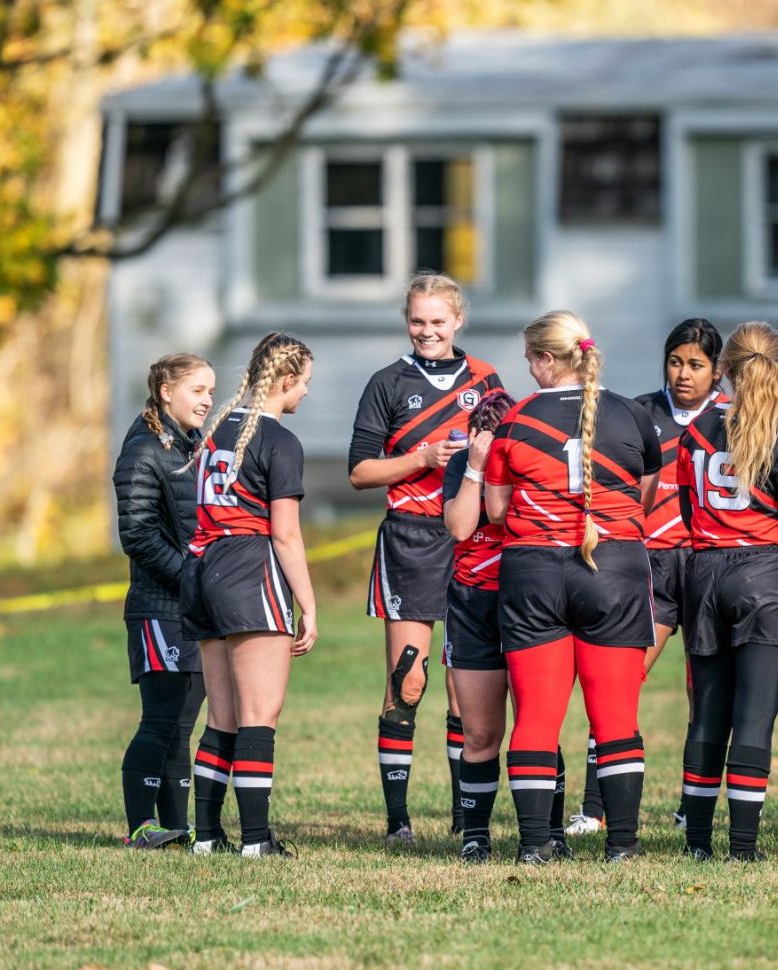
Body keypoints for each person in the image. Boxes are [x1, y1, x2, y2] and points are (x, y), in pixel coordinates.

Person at [484, 311, 661, 863]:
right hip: (613, 569)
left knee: (536, 716)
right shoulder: (633, 415)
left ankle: (535, 844)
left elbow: (494, 511)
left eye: (530, 359)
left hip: (532, 572)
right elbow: (645, 495)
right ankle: (623, 844)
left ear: (545, 358)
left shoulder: (514, 422)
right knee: (616, 718)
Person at [348, 273, 504, 845]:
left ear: (458, 321)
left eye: (439, 321)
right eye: (418, 321)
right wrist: (422, 458)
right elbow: (361, 471)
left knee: (467, 689)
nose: (428, 331)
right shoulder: (387, 382)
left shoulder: (486, 380)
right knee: (406, 680)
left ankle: (466, 820)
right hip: (410, 540)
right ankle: (398, 821)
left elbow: (504, 458)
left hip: (470, 543)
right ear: (406, 321)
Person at [569, 318, 725, 837]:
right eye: (676, 361)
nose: (684, 373)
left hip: (706, 565)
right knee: (620, 681)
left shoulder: (735, 417)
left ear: (717, 370)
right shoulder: (635, 413)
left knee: (703, 694)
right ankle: (596, 807)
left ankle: (691, 807)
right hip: (649, 564)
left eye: (696, 365)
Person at [675, 322, 778, 862]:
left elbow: (689, 513)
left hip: (705, 574)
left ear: (725, 372)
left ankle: (696, 844)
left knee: (708, 717)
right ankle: (742, 848)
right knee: (754, 720)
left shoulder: (697, 432)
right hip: (764, 577)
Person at [183, 332, 317, 857]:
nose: (306, 392)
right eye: (304, 382)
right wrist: (308, 604)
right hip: (247, 568)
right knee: (260, 714)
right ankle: (257, 841)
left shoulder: (216, 428)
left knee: (222, 715)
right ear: (285, 380)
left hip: (201, 570)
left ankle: (208, 837)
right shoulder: (280, 441)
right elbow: (284, 534)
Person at [113, 353, 216, 849]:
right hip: (159, 608)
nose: (208, 401)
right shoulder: (143, 450)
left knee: (183, 724)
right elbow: (137, 535)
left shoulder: (196, 447)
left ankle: (177, 828)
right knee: (160, 720)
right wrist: (191, 581)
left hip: (194, 609)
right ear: (166, 392)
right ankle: (140, 826)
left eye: (212, 391)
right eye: (198, 390)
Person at [441, 388, 526, 862]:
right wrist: (475, 466)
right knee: (480, 733)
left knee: (534, 725)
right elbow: (459, 527)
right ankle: (476, 835)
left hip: (526, 600)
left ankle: (546, 831)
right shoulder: (463, 466)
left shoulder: (528, 462)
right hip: (473, 602)